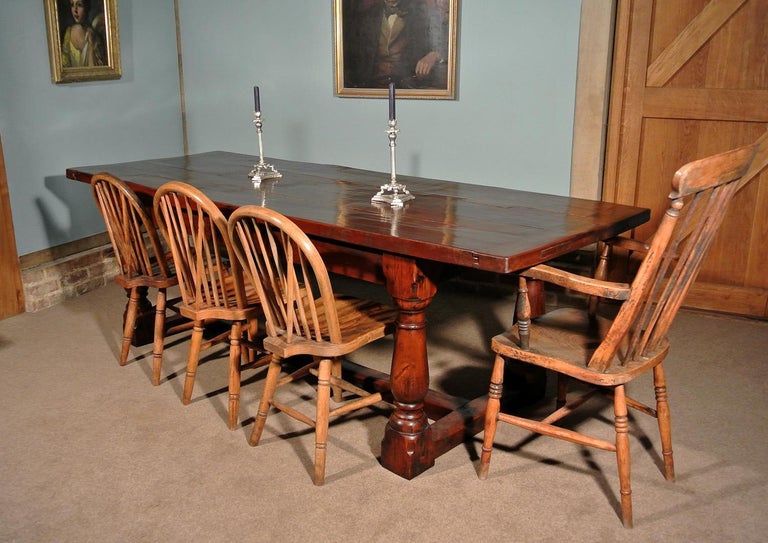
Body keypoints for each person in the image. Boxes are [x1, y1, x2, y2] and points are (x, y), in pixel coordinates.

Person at [343, 0, 448, 89]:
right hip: (372, 87)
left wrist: (435, 54)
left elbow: (448, 40)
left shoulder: (421, 13)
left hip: (409, 86)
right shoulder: (365, 17)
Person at [60, 0, 106, 68]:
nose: (75, 10)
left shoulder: (95, 36)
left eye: (79, 5)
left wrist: (90, 44)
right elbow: (65, 64)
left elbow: (95, 70)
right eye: (72, 5)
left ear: (86, 8)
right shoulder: (69, 32)